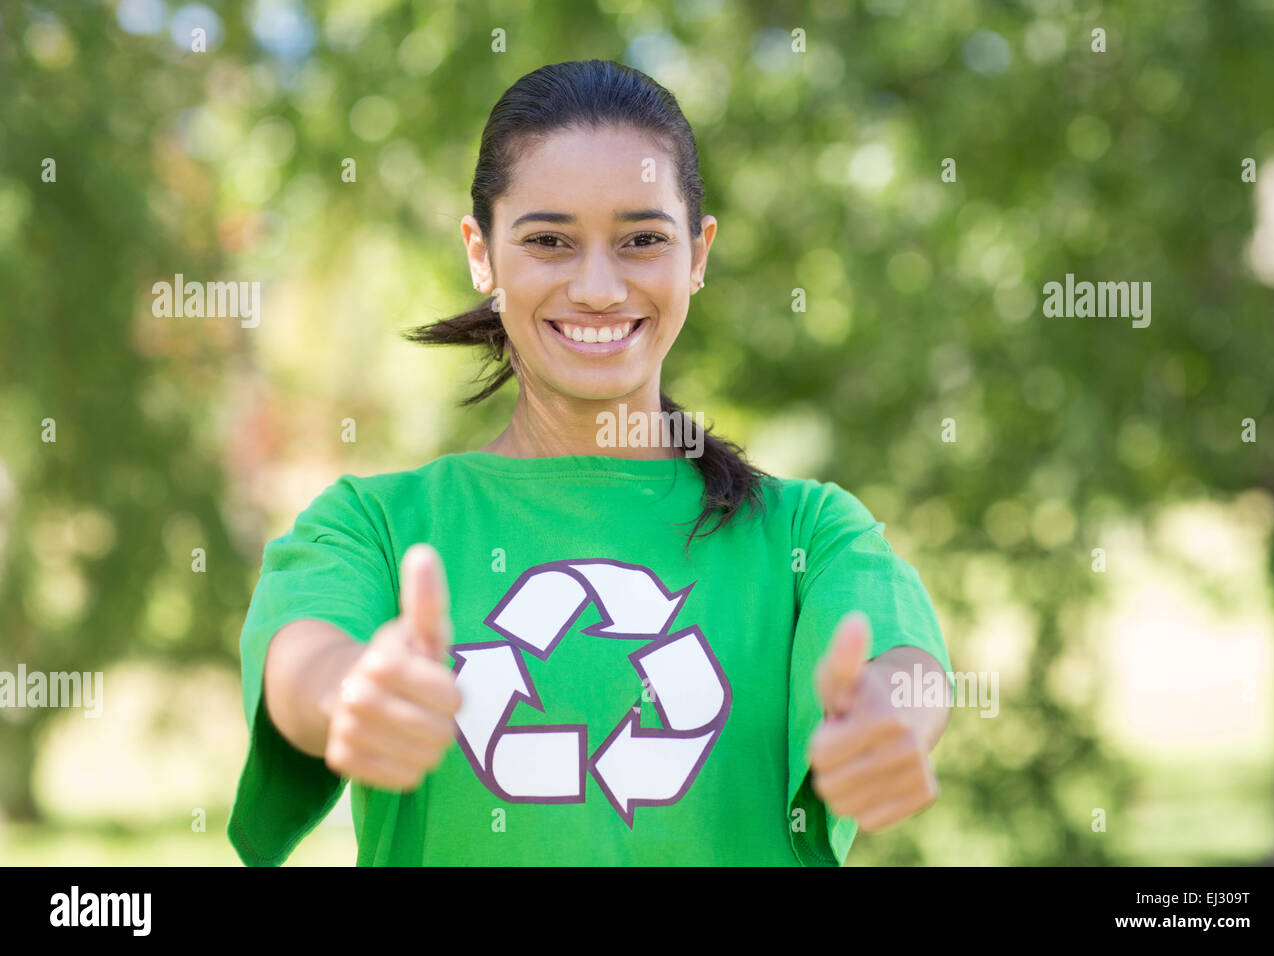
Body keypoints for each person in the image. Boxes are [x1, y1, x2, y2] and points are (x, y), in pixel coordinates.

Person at [226, 59, 953, 867]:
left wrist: (887, 722)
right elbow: (302, 657)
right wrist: (351, 692)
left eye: (643, 239)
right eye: (549, 241)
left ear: (698, 254)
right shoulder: (377, 525)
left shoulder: (806, 533)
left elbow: (902, 660)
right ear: (482, 253)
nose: (600, 287)